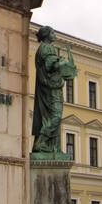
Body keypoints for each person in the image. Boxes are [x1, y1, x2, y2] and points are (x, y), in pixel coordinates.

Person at [32, 25, 75, 154]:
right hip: (51, 89)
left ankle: (54, 147)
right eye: (52, 32)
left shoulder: (45, 48)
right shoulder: (46, 48)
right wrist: (62, 63)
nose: (54, 35)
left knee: (52, 117)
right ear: (47, 35)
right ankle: (41, 142)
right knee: (55, 116)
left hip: (51, 87)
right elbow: (50, 65)